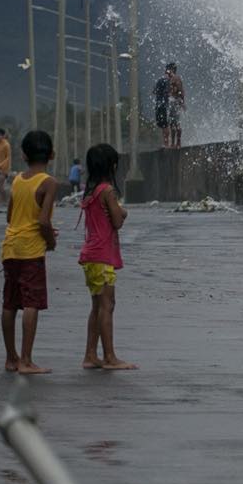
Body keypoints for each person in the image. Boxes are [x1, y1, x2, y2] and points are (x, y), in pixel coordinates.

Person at [1, 129, 58, 375]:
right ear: (52, 154)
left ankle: (11, 358)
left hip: (10, 247)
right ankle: (26, 360)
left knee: (10, 303)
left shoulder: (17, 180)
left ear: (23, 155)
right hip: (31, 250)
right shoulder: (48, 182)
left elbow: (9, 215)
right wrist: (50, 241)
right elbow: (44, 221)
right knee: (31, 303)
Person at [77, 143, 136, 372]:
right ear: (111, 166)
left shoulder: (90, 190)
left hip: (91, 255)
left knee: (97, 306)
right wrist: (123, 211)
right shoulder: (108, 191)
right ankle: (110, 357)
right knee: (108, 305)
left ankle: (90, 355)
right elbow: (117, 222)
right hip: (102, 256)